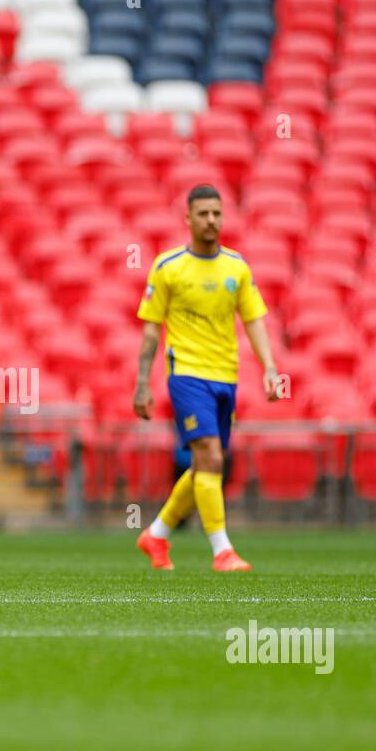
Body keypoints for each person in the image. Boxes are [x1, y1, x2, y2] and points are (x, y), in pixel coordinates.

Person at [133, 184, 281, 572]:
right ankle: (222, 550)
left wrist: (269, 367)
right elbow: (151, 330)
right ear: (188, 218)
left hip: (225, 376)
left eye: (217, 213)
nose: (211, 220)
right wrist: (142, 383)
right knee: (211, 456)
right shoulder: (168, 267)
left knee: (204, 463)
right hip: (186, 374)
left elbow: (253, 319)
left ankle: (156, 534)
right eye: (203, 213)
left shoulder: (237, 267)